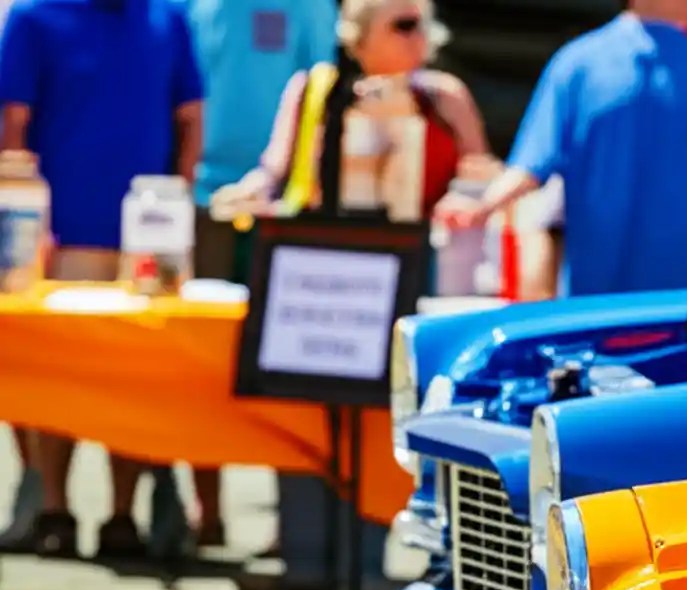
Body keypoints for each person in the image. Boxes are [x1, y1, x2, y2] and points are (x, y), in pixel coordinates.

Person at [435, 0, 687, 297]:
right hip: (681, 316)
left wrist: (481, 208)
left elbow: (528, 168)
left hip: (607, 313)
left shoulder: (577, 64)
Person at [0, 0, 203, 557]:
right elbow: (12, 124)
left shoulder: (169, 18)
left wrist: (178, 210)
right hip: (61, 234)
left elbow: (189, 118)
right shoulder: (35, 17)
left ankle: (122, 515)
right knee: (57, 377)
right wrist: (23, 220)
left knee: (134, 378)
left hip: (148, 238)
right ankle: (54, 510)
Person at [183, 0, 338, 550]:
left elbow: (325, 91)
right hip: (206, 201)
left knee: (285, 364)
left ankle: (288, 524)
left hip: (287, 214)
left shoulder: (313, 8)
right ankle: (207, 510)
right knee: (204, 360)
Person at [211, 0, 488, 222]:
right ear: (360, 38)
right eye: (405, 26)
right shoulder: (313, 90)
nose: (420, 37)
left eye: (424, 25)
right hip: (326, 247)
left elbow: (478, 173)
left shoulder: (443, 96)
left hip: (419, 252)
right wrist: (244, 194)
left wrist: (467, 198)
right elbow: (273, 171)